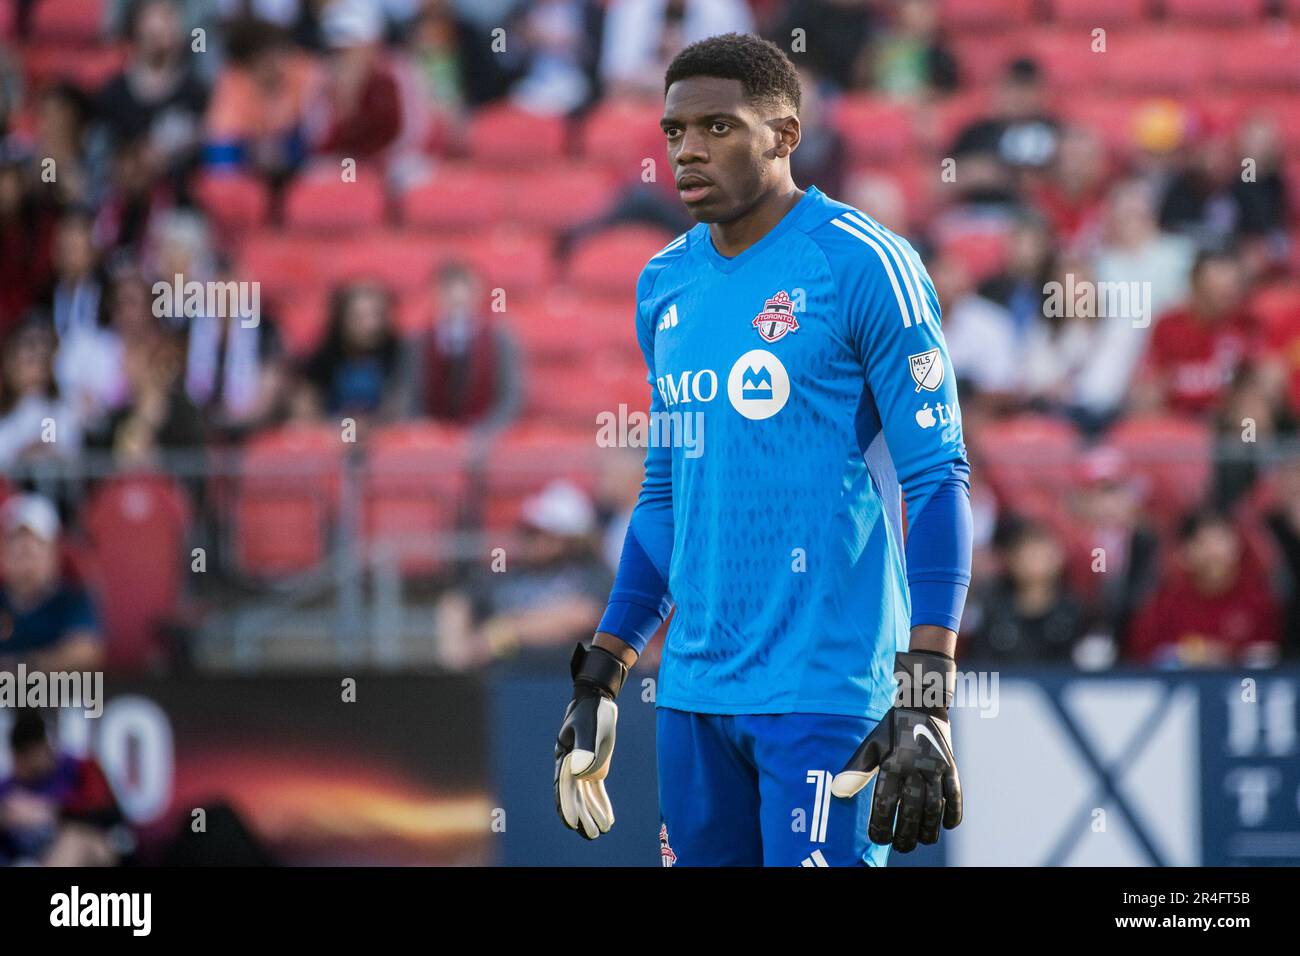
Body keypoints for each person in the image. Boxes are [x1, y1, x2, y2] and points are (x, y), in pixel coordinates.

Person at [552, 35, 972, 866]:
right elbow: (667, 495)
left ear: (784, 135)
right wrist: (602, 669)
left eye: (718, 127)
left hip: (826, 688)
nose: (688, 150)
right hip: (694, 696)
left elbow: (937, 481)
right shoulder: (663, 284)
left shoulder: (864, 265)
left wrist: (925, 694)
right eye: (675, 132)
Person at [1128, 508, 1280, 667]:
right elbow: (1143, 651)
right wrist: (1188, 653)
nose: (1214, 552)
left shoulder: (1258, 599)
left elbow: (1269, 653)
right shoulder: (1167, 601)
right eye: (1204, 543)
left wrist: (1231, 655)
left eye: (1222, 541)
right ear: (1185, 552)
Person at [0, 710, 126, 866]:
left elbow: (109, 815)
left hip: (91, 846)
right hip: (28, 858)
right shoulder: (8, 787)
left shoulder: (80, 769)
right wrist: (5, 818)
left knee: (74, 839)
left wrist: (51, 812)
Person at [963, 516, 1090, 664]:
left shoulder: (1076, 612)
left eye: (1042, 555)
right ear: (1012, 560)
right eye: (1028, 554)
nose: (1036, 562)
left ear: (1059, 559)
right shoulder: (989, 608)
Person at [0, 494, 103, 672]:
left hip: (57, 694)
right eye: (17, 542)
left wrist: (24, 666)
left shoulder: (72, 600)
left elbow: (87, 652)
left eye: (37, 543)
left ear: (54, 552)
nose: (27, 550)